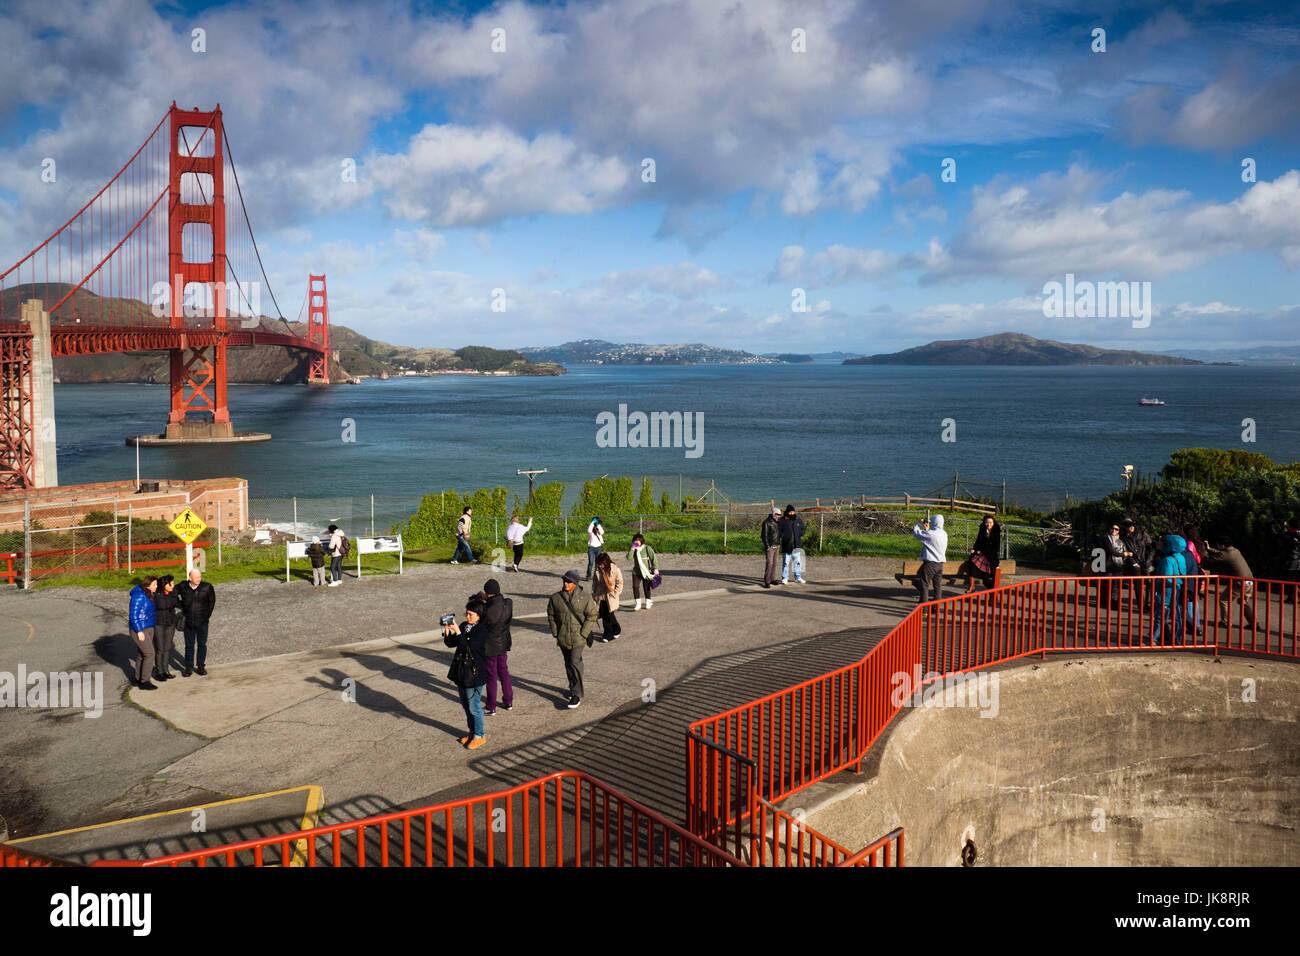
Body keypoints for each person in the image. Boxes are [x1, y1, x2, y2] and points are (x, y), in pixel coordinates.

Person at [546, 570, 598, 709]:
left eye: (568, 581)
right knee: (568, 664)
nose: (565, 583)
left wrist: (583, 633)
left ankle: (576, 694)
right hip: (563, 638)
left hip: (578, 638)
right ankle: (572, 687)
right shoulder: (555, 598)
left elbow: (592, 615)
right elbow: (551, 615)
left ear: (575, 583)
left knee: (575, 662)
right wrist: (556, 632)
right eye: (564, 580)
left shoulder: (585, 598)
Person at [443, 598, 489, 749]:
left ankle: (480, 735)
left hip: (475, 674)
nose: (467, 617)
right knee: (465, 705)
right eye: (466, 614)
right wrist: (448, 629)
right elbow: (450, 644)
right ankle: (472, 732)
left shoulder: (482, 630)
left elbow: (467, 648)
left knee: (474, 706)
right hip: (462, 672)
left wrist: (458, 632)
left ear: (479, 615)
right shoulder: (464, 626)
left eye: (471, 614)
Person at [478, 579, 514, 717]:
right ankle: (508, 701)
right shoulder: (508, 603)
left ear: (488, 594)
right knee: (504, 672)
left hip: (491, 646)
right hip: (503, 643)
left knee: (491, 676)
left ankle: (491, 706)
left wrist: (481, 603)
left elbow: (483, 623)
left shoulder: (488, 610)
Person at [1205, 537, 1256, 628]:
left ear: (1222, 545)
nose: (1217, 546)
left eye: (1218, 545)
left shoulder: (1225, 555)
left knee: (1224, 600)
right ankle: (1253, 624)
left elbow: (1210, 560)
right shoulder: (1235, 550)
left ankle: (1225, 622)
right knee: (1243, 602)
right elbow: (1220, 553)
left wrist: (1203, 555)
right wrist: (1209, 549)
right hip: (1250, 581)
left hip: (1240, 583)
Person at [177, 568, 216, 677]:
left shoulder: (207, 587)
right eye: (196, 577)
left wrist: (206, 616)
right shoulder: (183, 586)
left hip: (202, 622)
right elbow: (172, 593)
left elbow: (212, 602)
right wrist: (181, 605)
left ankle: (200, 666)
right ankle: (188, 668)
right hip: (188, 622)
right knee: (189, 645)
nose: (199, 579)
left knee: (202, 644)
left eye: (200, 576)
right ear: (190, 578)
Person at [1151, 534, 1188, 646]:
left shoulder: (1167, 560)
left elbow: (1166, 577)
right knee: (1176, 617)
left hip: (1165, 592)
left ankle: (1154, 638)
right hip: (1177, 590)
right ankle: (1176, 638)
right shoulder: (1181, 557)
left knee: (1160, 617)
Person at [128, 576, 158, 690]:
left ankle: (138, 678)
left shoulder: (149, 594)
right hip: (140, 629)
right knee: (150, 654)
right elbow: (133, 615)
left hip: (149, 627)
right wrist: (139, 631)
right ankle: (145, 681)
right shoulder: (139, 596)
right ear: (147, 585)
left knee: (142, 653)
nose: (156, 587)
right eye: (154, 585)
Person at [151, 574, 181, 681]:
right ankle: (159, 671)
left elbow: (178, 603)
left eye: (173, 583)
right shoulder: (156, 594)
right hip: (158, 623)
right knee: (160, 648)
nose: (173, 585)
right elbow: (160, 606)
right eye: (171, 584)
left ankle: (166, 670)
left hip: (170, 623)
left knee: (167, 648)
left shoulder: (173, 593)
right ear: (164, 585)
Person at [912, 514, 948, 604]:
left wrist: (919, 524)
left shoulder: (931, 534)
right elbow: (932, 539)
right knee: (937, 586)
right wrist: (927, 530)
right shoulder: (944, 534)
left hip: (930, 564)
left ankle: (923, 608)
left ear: (934, 522)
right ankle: (936, 607)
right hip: (940, 564)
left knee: (924, 584)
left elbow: (916, 533)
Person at [591, 552, 624, 642]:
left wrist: (616, 593)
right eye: (598, 564)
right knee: (605, 614)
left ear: (606, 562)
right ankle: (613, 630)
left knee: (608, 615)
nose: (600, 566)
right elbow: (594, 582)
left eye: (601, 564)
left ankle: (610, 633)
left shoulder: (615, 569)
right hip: (600, 596)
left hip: (610, 596)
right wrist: (594, 593)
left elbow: (620, 582)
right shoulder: (597, 570)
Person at [966, 516, 1001, 592]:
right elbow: (978, 541)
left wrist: (981, 551)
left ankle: (993, 592)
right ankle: (972, 585)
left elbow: (995, 548)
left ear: (993, 523)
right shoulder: (982, 530)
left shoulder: (996, 532)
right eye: (986, 522)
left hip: (991, 557)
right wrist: (974, 549)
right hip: (982, 555)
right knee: (972, 561)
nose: (988, 524)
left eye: (990, 523)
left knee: (985, 578)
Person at [627, 533, 659, 610]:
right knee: (635, 587)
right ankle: (638, 604)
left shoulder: (648, 548)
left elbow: (654, 559)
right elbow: (629, 558)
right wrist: (632, 548)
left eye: (638, 540)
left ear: (642, 541)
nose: (636, 542)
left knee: (646, 587)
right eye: (635, 541)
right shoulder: (634, 549)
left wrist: (656, 568)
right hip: (636, 572)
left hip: (646, 571)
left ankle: (648, 602)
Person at [778, 505, 807, 584]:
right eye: (790, 512)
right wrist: (783, 536)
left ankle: (798, 577)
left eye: (793, 512)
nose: (792, 513)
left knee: (797, 563)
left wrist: (800, 534)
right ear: (787, 512)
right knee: (786, 563)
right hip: (787, 545)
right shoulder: (782, 520)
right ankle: (785, 578)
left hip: (796, 545)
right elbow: (779, 531)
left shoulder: (798, 520)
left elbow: (803, 529)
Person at [760, 507, 782, 588]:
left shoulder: (778, 522)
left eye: (780, 515)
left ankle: (772, 579)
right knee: (769, 563)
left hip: (777, 546)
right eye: (777, 514)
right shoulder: (766, 522)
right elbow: (764, 536)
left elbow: (779, 533)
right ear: (773, 514)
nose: (779, 516)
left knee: (774, 563)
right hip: (770, 546)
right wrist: (767, 546)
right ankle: (767, 581)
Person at [1282, 516, 1300, 583]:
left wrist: (1286, 527)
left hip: (1292, 560)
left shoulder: (1288, 534)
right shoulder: (1296, 533)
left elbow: (1281, 536)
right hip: (1298, 559)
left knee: (1289, 581)